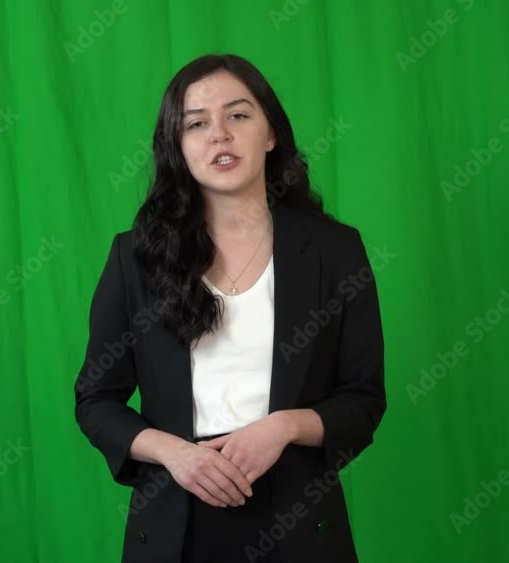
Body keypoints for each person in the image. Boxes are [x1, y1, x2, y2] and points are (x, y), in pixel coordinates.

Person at [74, 53, 386, 563]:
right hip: (176, 518)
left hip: (300, 521)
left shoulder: (336, 251)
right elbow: (95, 401)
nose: (219, 134)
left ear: (270, 135)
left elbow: (364, 400)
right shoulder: (135, 258)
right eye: (196, 123)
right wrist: (175, 454)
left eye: (238, 115)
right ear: (178, 147)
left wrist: (282, 427)